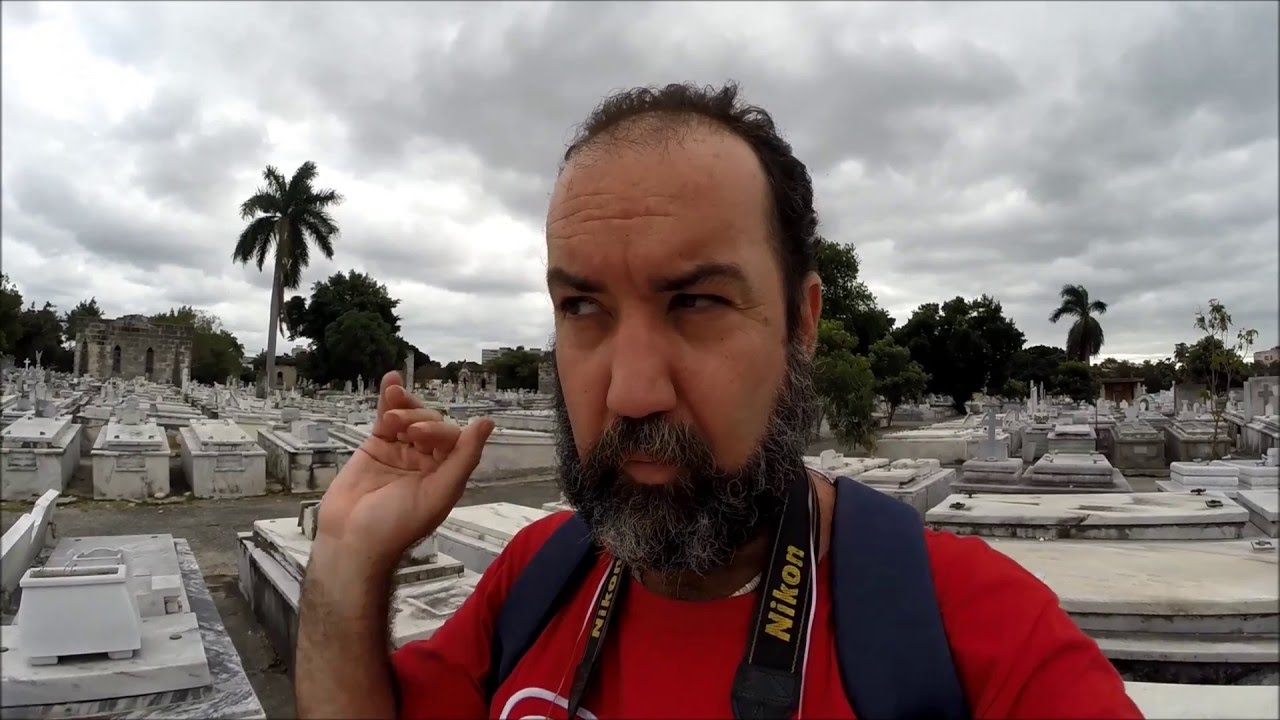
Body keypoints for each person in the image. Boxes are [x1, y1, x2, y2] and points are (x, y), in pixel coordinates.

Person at [294, 82, 1144, 720]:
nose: (629, 390)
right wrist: (347, 561)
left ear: (801, 323)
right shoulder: (537, 578)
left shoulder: (974, 634)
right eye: (583, 308)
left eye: (695, 303)